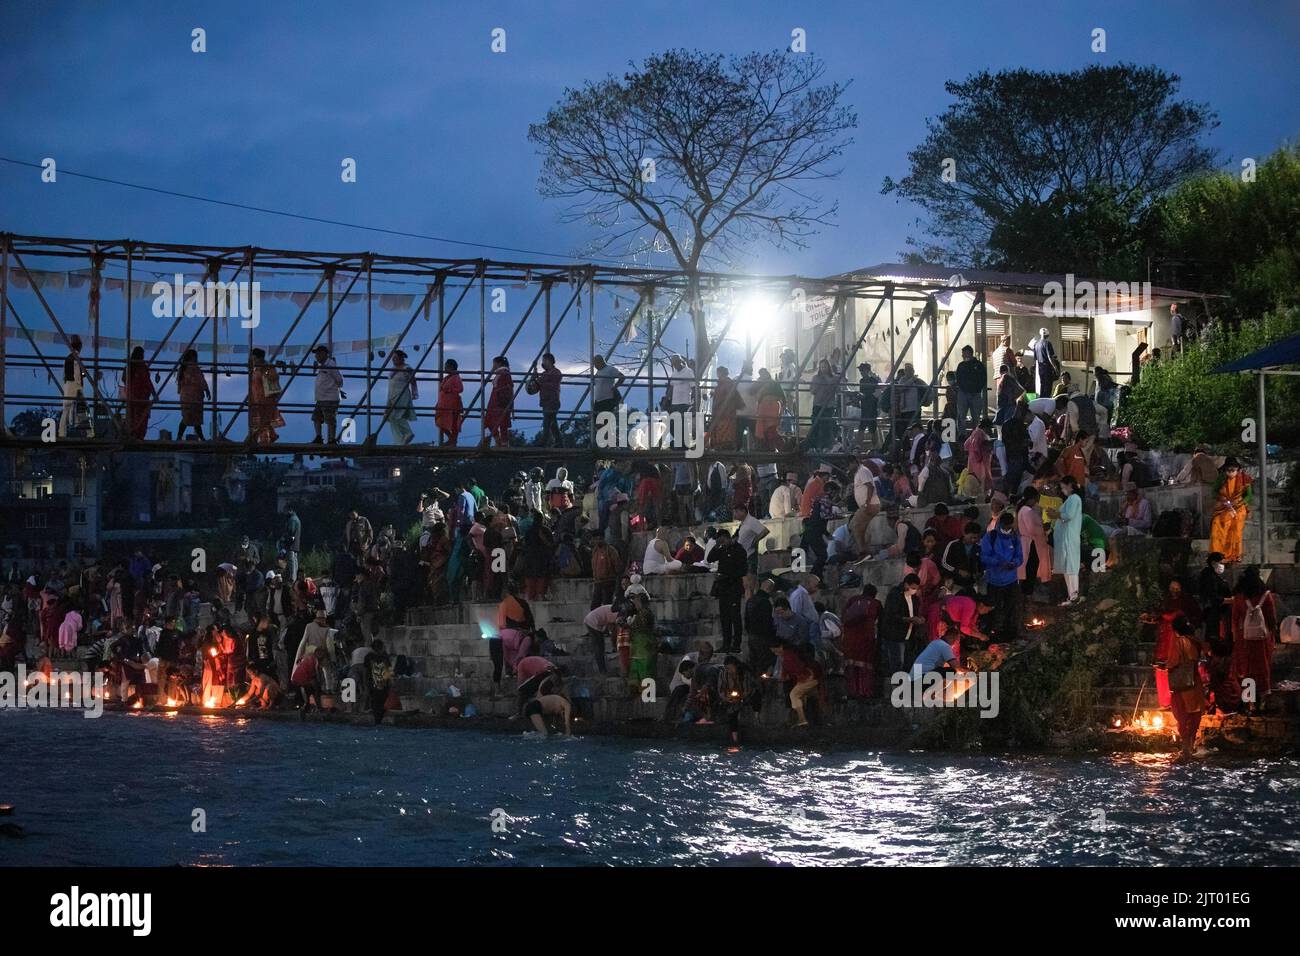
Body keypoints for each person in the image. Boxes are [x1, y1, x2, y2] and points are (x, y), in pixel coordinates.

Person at [1231, 574, 1276, 712]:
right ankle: (1263, 701)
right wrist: (1272, 637)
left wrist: (1235, 637)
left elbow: (1234, 619)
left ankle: (1249, 703)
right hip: (1262, 640)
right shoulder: (1266, 596)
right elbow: (1272, 619)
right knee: (1262, 669)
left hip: (1244, 640)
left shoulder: (1240, 597)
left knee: (1247, 670)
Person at [1164, 615, 1205, 760]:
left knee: (1182, 716)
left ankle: (1185, 748)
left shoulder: (1179, 642)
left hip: (1183, 685)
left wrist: (1165, 666)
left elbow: (1173, 662)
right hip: (1196, 683)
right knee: (1194, 715)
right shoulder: (1195, 641)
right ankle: (1192, 745)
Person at [981, 511, 1023, 643]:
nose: (1008, 530)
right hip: (994, 581)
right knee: (994, 609)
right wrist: (999, 563)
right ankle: (992, 635)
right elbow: (984, 557)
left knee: (1011, 608)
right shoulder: (990, 537)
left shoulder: (1015, 537)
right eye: (1006, 527)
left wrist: (1014, 563)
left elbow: (1019, 556)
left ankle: (1010, 634)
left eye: (1010, 527)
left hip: (1010, 580)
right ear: (1001, 524)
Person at [880, 574, 925, 677]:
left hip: (909, 636)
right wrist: (909, 619)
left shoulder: (914, 598)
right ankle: (895, 687)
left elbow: (915, 611)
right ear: (906, 584)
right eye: (913, 588)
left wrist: (920, 618)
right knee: (896, 664)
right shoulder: (895, 595)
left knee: (908, 663)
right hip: (895, 635)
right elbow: (891, 615)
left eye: (916, 589)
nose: (914, 590)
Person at [841, 583, 881, 698]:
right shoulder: (875, 603)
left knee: (851, 667)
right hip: (866, 639)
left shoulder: (852, 600)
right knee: (865, 667)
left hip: (849, 640)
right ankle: (865, 691)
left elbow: (844, 617)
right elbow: (880, 621)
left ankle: (852, 691)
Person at [1210, 457, 1252, 564]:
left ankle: (1235, 555)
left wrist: (1239, 502)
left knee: (1236, 528)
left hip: (1239, 506)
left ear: (1238, 469)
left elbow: (1249, 496)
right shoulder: (1221, 478)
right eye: (1228, 470)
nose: (1231, 473)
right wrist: (1221, 498)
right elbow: (1213, 492)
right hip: (1224, 507)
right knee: (1217, 523)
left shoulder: (1244, 479)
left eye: (1233, 470)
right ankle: (1218, 554)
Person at [713, 529, 747, 654]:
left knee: (735, 617)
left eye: (723, 540)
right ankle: (726, 644)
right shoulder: (722, 549)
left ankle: (736, 644)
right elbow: (711, 558)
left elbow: (743, 570)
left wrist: (727, 576)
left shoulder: (739, 550)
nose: (723, 543)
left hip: (734, 587)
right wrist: (717, 546)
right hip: (723, 589)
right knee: (724, 618)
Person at [1053, 476, 1083, 605]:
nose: (1062, 489)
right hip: (1065, 539)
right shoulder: (1069, 499)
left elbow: (1069, 515)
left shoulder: (1074, 498)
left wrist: (1056, 515)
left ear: (1070, 485)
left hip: (1069, 538)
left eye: (1063, 486)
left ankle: (1074, 595)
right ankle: (1071, 595)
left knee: (1071, 567)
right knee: (1066, 568)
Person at [1017, 487, 1052, 598]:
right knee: (1030, 569)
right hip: (1031, 542)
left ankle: (1027, 592)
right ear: (1032, 498)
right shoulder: (1027, 511)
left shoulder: (1025, 510)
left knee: (1031, 568)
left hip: (1030, 541)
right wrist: (1043, 528)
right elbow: (1032, 528)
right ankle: (1027, 592)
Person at [247, 348, 284, 445]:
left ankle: (261, 439)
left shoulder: (267, 367)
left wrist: (265, 372)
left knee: (263, 420)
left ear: (260, 358)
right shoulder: (256, 369)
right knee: (262, 420)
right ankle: (270, 436)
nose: (254, 361)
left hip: (266, 398)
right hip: (257, 398)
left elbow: (274, 377)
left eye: (255, 359)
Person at [59, 334, 92, 438]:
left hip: (68, 385)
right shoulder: (77, 358)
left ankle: (62, 433)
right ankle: (89, 433)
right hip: (76, 385)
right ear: (80, 346)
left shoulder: (67, 358)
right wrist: (83, 377)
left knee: (66, 409)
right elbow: (79, 374)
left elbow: (64, 374)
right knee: (83, 408)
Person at [311, 346, 345, 444]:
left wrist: (336, 389)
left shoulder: (330, 364)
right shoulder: (322, 365)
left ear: (324, 354)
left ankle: (331, 439)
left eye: (317, 354)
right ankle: (319, 437)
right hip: (321, 398)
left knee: (329, 419)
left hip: (329, 398)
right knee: (316, 417)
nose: (316, 356)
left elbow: (339, 380)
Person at [175, 347, 210, 441]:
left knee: (187, 418)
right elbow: (201, 380)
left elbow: (179, 385)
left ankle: (179, 437)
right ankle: (202, 438)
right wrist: (207, 390)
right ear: (192, 358)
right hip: (194, 397)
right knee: (195, 419)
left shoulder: (182, 369)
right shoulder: (194, 369)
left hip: (186, 397)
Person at [121, 345, 156, 441]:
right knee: (140, 419)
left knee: (133, 418)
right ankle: (137, 437)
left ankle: (133, 436)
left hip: (133, 396)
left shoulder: (130, 366)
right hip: (141, 398)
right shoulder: (141, 367)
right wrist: (154, 393)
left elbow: (124, 379)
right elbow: (147, 381)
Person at [626, 592, 657, 695]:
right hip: (638, 648)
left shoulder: (644, 613)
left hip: (644, 647)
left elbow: (643, 628)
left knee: (646, 672)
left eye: (636, 601)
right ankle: (638, 692)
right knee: (637, 672)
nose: (634, 604)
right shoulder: (642, 613)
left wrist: (629, 626)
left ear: (640, 602)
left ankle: (647, 695)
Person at [385, 349, 418, 444]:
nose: (393, 360)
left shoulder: (406, 368)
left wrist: (410, 374)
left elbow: (413, 381)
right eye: (393, 358)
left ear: (401, 358)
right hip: (392, 394)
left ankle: (408, 433)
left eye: (395, 358)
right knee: (390, 417)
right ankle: (399, 440)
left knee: (397, 415)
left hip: (402, 395)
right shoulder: (393, 369)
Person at [481, 355, 513, 447]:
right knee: (499, 421)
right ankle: (500, 440)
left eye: (494, 363)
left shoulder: (503, 373)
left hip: (498, 400)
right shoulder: (503, 373)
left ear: (498, 363)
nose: (493, 366)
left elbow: (506, 388)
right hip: (498, 399)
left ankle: (500, 441)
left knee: (496, 420)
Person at [953, 345, 986, 433]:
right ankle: (962, 435)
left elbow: (983, 379)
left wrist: (977, 389)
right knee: (961, 416)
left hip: (974, 394)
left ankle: (974, 435)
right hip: (964, 393)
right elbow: (958, 379)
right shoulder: (961, 365)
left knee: (975, 417)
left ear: (969, 353)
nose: (962, 355)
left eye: (963, 353)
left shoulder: (978, 365)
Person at [434, 358, 464, 446]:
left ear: (451, 367)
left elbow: (460, 389)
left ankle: (452, 440)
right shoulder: (447, 377)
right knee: (439, 421)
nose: (444, 368)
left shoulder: (456, 377)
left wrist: (449, 390)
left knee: (453, 423)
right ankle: (451, 439)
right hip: (443, 404)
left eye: (446, 366)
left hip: (452, 403)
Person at [363, 639, 393, 724]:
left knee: (376, 704)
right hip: (382, 684)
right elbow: (389, 670)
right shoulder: (385, 656)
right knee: (380, 704)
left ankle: (377, 721)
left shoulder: (368, 657)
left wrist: (366, 686)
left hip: (374, 684)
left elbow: (365, 672)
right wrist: (391, 682)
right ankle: (378, 721)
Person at [583, 603, 620, 674]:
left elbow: (612, 629)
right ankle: (602, 670)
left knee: (600, 646)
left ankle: (603, 669)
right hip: (592, 622)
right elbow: (614, 632)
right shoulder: (617, 615)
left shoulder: (615, 610)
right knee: (599, 647)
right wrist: (615, 646)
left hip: (592, 620)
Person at [537, 352, 563, 447]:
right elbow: (538, 384)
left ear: (549, 361)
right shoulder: (545, 373)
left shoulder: (556, 372)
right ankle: (559, 442)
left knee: (547, 421)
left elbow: (554, 385)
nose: (543, 362)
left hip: (552, 400)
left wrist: (541, 383)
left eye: (544, 360)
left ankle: (543, 441)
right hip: (545, 400)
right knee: (552, 423)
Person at [1031, 328, 1060, 396]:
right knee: (1048, 387)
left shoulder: (1036, 344)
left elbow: (1035, 359)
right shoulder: (1047, 343)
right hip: (1047, 368)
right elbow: (1050, 357)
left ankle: (1042, 400)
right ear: (1047, 335)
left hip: (1040, 368)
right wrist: (1055, 368)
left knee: (1042, 385)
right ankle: (1046, 401)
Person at [857, 362, 880, 446]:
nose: (861, 372)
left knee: (872, 428)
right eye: (860, 370)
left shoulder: (873, 380)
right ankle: (859, 446)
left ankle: (875, 447)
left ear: (867, 371)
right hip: (864, 407)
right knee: (862, 427)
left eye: (862, 370)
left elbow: (877, 393)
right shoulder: (862, 381)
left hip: (872, 407)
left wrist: (867, 396)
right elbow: (862, 392)